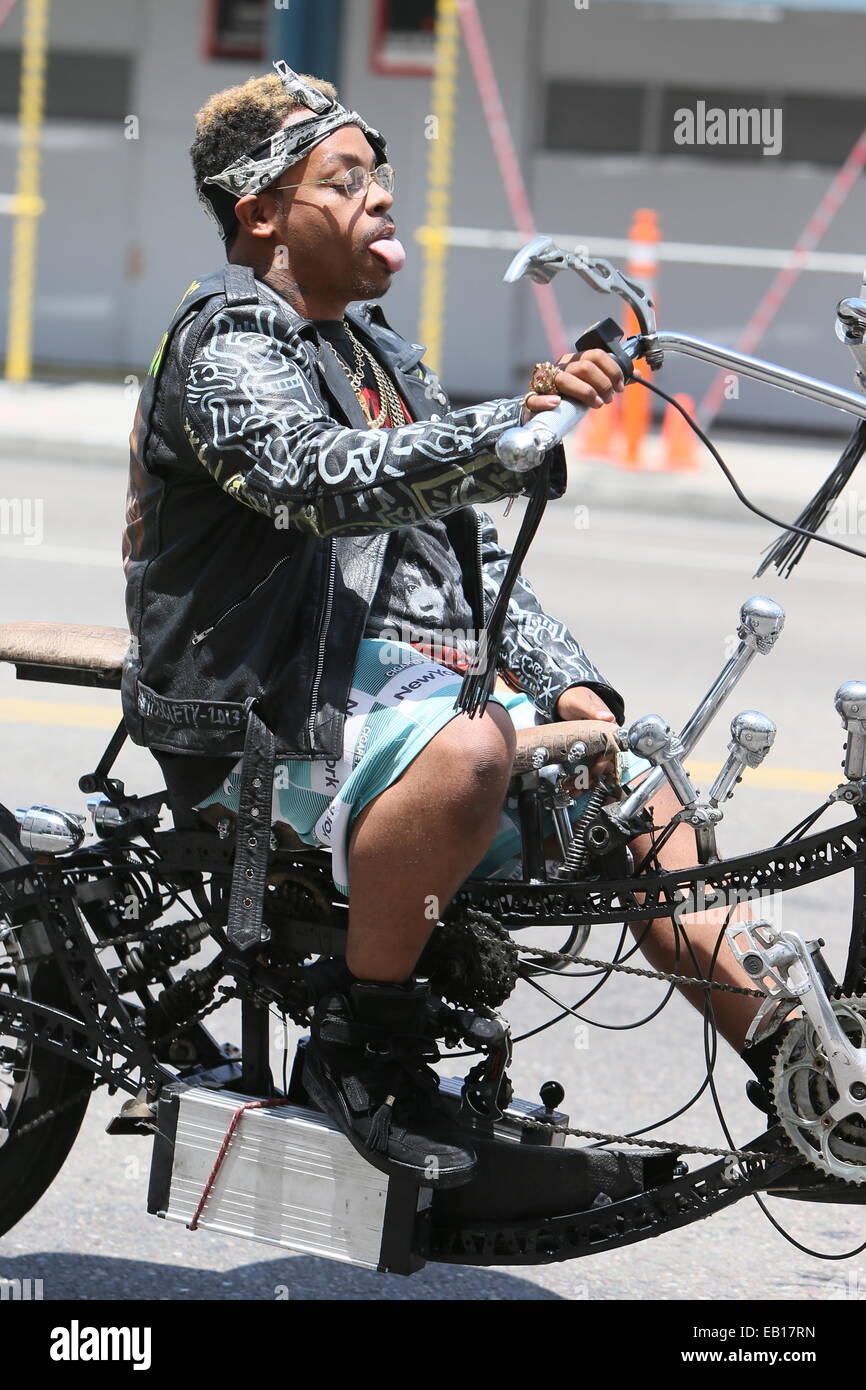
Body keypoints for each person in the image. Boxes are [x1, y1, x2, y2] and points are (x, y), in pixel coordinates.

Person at [122, 63, 792, 1192]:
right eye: (345, 179)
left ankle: (802, 1072)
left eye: (380, 174)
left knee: (630, 776)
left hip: (378, 695)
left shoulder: (376, 354)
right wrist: (506, 428)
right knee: (473, 747)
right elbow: (309, 476)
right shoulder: (228, 341)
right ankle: (357, 1050)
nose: (382, 195)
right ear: (261, 215)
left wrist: (576, 688)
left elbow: (470, 551)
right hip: (258, 717)